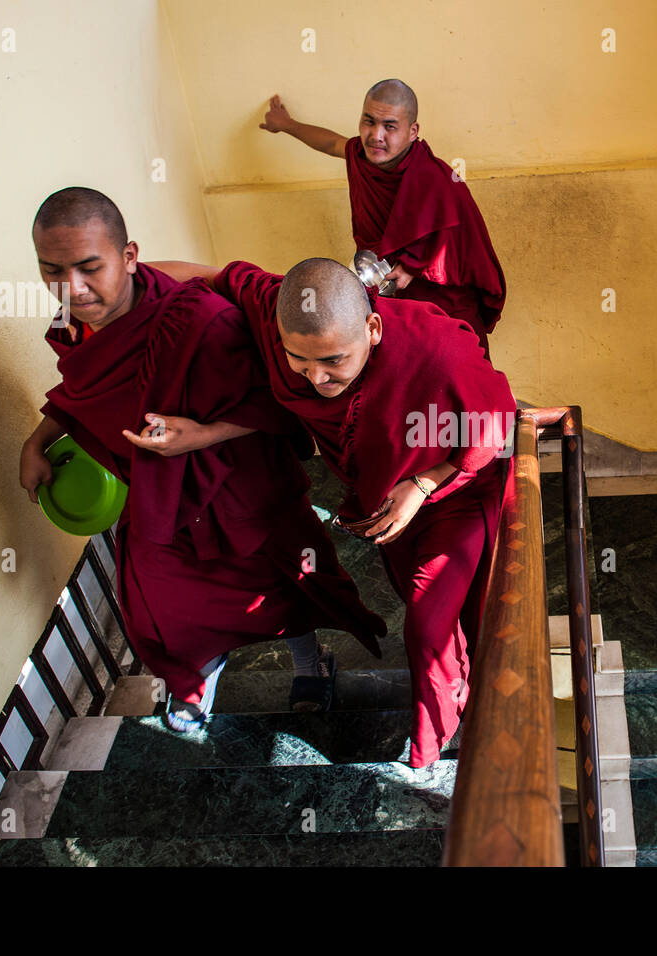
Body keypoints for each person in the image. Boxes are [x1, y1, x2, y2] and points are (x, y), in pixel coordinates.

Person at [18, 188, 385, 730]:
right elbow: (83, 390)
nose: (72, 288)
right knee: (164, 604)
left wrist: (204, 435)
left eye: (89, 268)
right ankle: (194, 680)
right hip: (157, 495)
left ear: (128, 256)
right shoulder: (73, 328)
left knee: (282, 583)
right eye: (52, 271)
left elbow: (275, 405)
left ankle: (310, 664)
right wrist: (37, 439)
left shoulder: (199, 321)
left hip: (240, 484)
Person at [151, 255, 516, 767]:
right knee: (421, 607)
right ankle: (460, 696)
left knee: (429, 623)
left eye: (333, 362)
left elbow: (498, 425)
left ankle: (432, 749)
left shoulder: (436, 349)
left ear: (372, 327)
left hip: (453, 490)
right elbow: (214, 274)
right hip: (381, 501)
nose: (317, 379)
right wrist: (120, 278)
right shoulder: (285, 310)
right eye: (300, 362)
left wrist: (422, 484)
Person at [258, 79, 506, 354]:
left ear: (413, 132)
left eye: (389, 126)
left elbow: (461, 250)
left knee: (457, 374)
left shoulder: (438, 181)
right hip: (387, 297)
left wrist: (415, 267)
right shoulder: (360, 157)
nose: (376, 135)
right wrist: (286, 125)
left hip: (443, 306)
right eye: (368, 122)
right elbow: (330, 143)